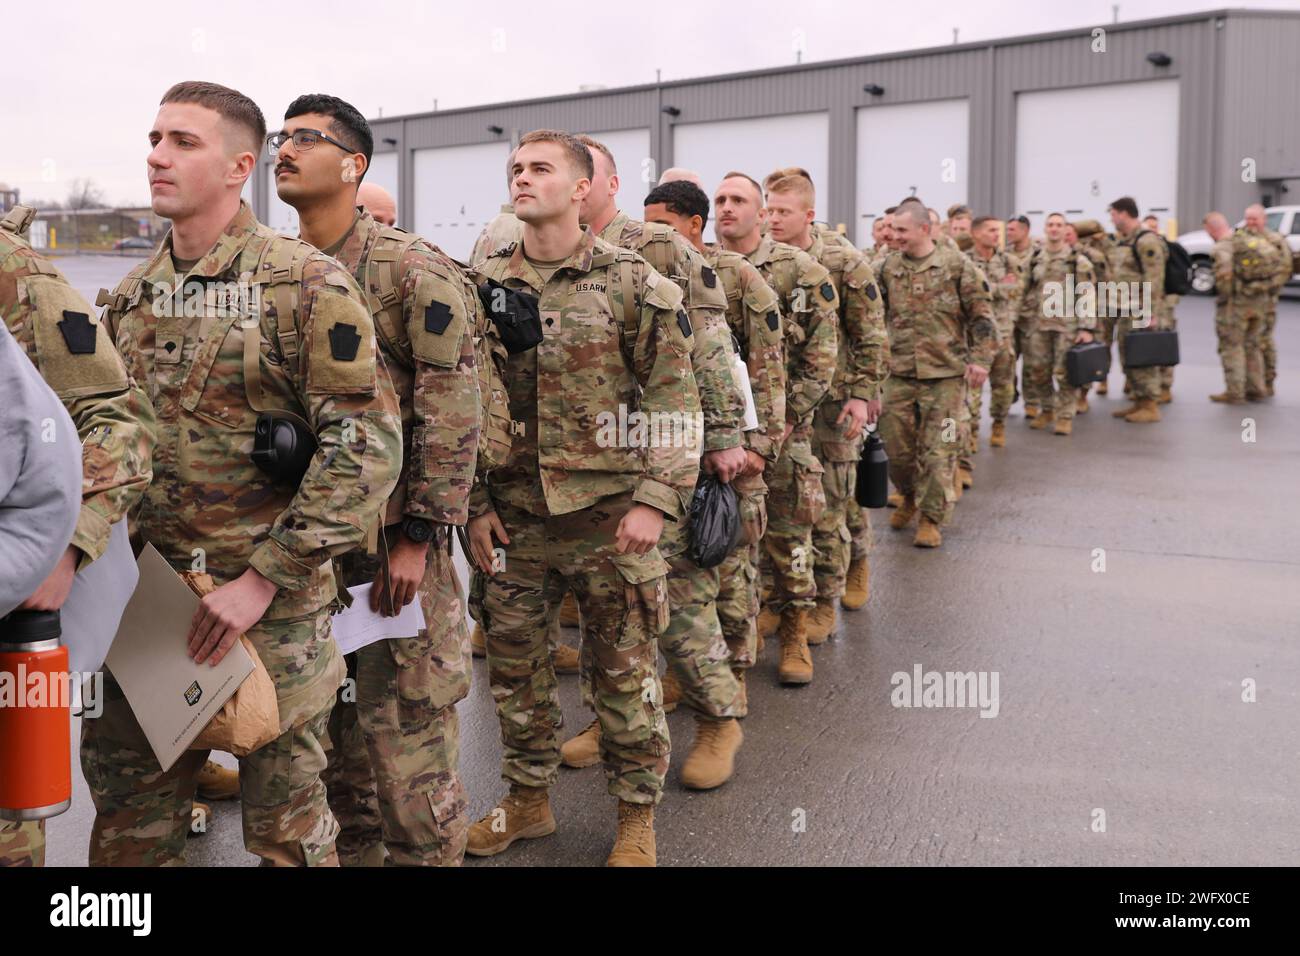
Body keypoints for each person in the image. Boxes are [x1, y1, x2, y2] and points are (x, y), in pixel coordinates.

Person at [84, 80, 403, 867]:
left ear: (239, 166)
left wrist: (264, 576)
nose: (158, 156)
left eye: (183, 142)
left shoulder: (302, 284)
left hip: (272, 614)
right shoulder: (129, 298)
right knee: (130, 832)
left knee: (289, 839)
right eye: (155, 139)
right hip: (151, 609)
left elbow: (366, 445)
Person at [463, 130, 700, 866]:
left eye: (540, 169)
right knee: (515, 677)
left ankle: (635, 816)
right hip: (514, 518)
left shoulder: (632, 282)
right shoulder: (482, 285)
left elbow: (674, 400)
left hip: (610, 518)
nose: (524, 179)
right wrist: (472, 503)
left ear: (582, 187)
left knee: (624, 678)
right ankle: (528, 801)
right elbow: (459, 402)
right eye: (515, 169)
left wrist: (655, 502)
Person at [274, 93, 489, 865]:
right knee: (329, 750)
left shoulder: (409, 269)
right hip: (308, 548)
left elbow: (452, 406)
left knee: (406, 744)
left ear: (353, 165)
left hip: (394, 546)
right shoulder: (274, 269)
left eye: (308, 138)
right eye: (281, 136)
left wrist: (423, 536)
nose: (286, 149)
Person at [557, 135, 745, 789]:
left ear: (607, 185)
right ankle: (608, 720)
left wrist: (723, 436)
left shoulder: (659, 247)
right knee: (602, 607)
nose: (574, 191)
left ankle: (720, 716)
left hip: (663, 452)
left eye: (588, 179)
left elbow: (712, 340)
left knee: (683, 597)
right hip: (589, 466)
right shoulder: (550, 253)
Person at [644, 178, 786, 716]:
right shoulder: (646, 273)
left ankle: (737, 674)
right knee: (688, 572)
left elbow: (766, 366)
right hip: (673, 448)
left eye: (661, 226)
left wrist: (759, 444)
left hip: (733, 444)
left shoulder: (734, 276)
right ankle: (687, 676)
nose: (648, 236)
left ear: (690, 225)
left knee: (731, 563)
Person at [714, 171, 837, 685]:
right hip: (722, 439)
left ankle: (794, 630)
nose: (726, 208)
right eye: (719, 199)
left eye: (738, 199)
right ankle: (730, 646)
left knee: (789, 537)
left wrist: (776, 428)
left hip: (785, 434)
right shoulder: (702, 267)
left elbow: (820, 359)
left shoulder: (800, 271)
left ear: (762, 213)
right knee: (729, 545)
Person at [764, 169, 887, 643]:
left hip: (833, 404)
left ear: (809, 215)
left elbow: (871, 332)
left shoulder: (844, 262)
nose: (773, 219)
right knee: (787, 506)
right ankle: (780, 597)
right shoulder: (761, 259)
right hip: (784, 404)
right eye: (769, 209)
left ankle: (831, 591)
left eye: (783, 211)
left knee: (832, 501)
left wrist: (862, 394)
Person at [877, 199, 996, 549]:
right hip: (898, 373)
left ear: (923, 230)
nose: (893, 236)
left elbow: (982, 317)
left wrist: (980, 361)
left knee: (939, 451)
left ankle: (931, 518)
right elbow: (869, 318)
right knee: (897, 452)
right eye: (892, 229)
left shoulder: (956, 266)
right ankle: (909, 496)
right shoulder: (886, 268)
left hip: (944, 376)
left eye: (901, 230)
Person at [1018, 213, 1096, 436]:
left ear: (1065, 231)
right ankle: (1047, 409)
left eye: (1059, 225)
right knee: (1038, 372)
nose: (1054, 229)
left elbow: (1088, 295)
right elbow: (1023, 291)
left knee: (1064, 373)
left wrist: (1086, 328)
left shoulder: (1077, 261)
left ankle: (1065, 415)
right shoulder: (1034, 258)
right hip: (1038, 325)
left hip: (1066, 326)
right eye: (1050, 225)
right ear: (1045, 229)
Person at [1105, 196, 1167, 424]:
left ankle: (1150, 405)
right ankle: (1139, 401)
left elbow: (1155, 279)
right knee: (1128, 354)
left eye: (1113, 214)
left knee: (1143, 356)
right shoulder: (1125, 241)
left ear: (1123, 213)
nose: (1111, 219)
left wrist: (1151, 313)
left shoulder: (1145, 240)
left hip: (1140, 310)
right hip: (1125, 309)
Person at [967, 216, 1021, 448]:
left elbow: (1016, 289)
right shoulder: (965, 261)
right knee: (971, 391)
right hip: (975, 337)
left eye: (997, 230)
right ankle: (971, 433)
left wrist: (986, 287)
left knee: (1003, 387)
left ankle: (998, 423)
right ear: (976, 234)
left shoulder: (1009, 261)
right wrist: (998, 287)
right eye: (990, 230)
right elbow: (968, 293)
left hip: (1003, 334)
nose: (996, 234)